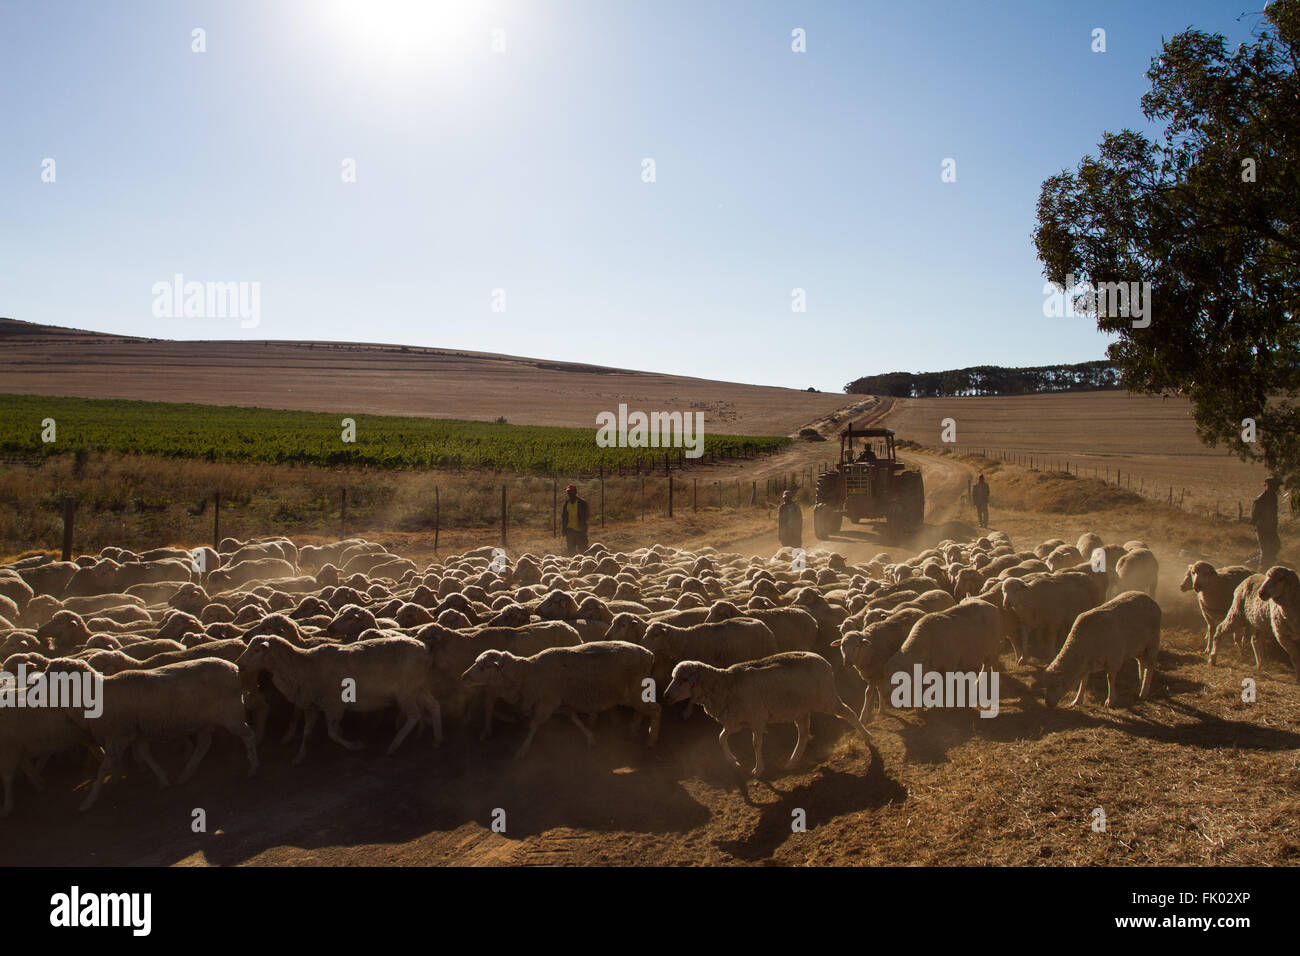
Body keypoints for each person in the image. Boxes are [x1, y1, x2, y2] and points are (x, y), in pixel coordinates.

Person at [1252, 475, 1282, 570]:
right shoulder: (1261, 499)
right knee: (1266, 550)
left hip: (1271, 528)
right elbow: (1255, 515)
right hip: (1263, 528)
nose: (1277, 488)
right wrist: (1261, 526)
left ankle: (1264, 563)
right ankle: (1263, 569)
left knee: (1276, 546)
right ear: (1270, 486)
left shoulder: (1273, 497)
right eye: (1276, 486)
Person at [561, 483, 589, 556]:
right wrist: (564, 529)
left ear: (575, 492)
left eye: (571, 491)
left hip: (580, 531)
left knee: (583, 551)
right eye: (568, 492)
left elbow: (586, 515)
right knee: (571, 551)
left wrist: (583, 526)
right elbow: (564, 517)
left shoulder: (582, 503)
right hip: (570, 530)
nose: (569, 493)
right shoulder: (566, 503)